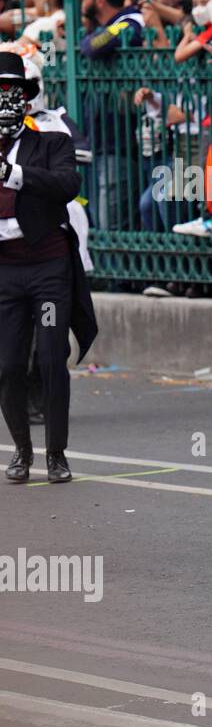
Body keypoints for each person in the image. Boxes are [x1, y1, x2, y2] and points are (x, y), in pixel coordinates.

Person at [0, 53, 94, 485]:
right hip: (5, 274)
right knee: (8, 365)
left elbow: (67, 184)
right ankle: (21, 450)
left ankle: (57, 453)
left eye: (11, 92)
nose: (4, 101)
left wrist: (13, 172)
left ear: (24, 98)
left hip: (47, 267)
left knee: (53, 357)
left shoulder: (50, 140)